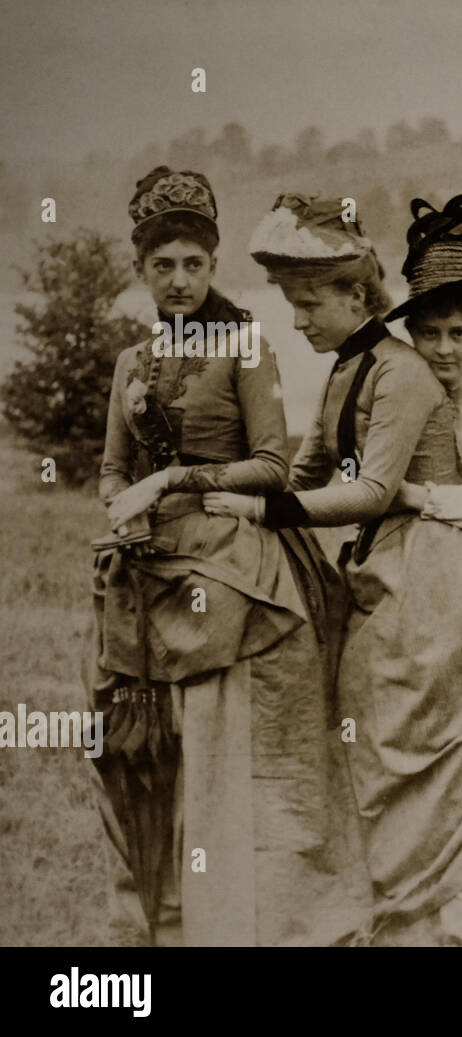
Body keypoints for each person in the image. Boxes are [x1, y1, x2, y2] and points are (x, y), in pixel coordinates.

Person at [211, 193, 462, 945]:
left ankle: (435, 918)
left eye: (308, 303)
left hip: (450, 575)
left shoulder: (399, 373)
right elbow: (304, 474)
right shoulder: (347, 370)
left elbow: (369, 490)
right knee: (365, 741)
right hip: (392, 567)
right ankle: (389, 915)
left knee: (407, 748)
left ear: (357, 295)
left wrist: (267, 514)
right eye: (291, 304)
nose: (298, 320)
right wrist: (206, 488)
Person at [85, 168, 368, 946]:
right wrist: (124, 509)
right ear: (141, 270)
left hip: (236, 560)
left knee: (225, 752)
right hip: (145, 565)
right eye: (162, 266)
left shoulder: (247, 346)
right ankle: (165, 918)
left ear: (214, 267)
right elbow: (112, 468)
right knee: (146, 747)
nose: (179, 282)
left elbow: (274, 466)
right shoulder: (130, 363)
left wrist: (174, 480)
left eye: (194, 265)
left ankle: (243, 920)